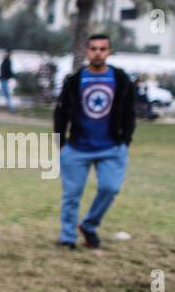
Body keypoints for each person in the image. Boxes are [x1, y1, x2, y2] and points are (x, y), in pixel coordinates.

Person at [53, 33, 136, 250]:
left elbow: (129, 112)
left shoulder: (120, 79)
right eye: (93, 49)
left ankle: (89, 225)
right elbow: (60, 113)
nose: (97, 53)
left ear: (109, 52)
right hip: (77, 148)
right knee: (71, 196)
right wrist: (60, 142)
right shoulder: (74, 81)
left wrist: (125, 139)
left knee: (110, 188)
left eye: (102, 49)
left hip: (111, 147)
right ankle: (67, 237)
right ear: (87, 51)